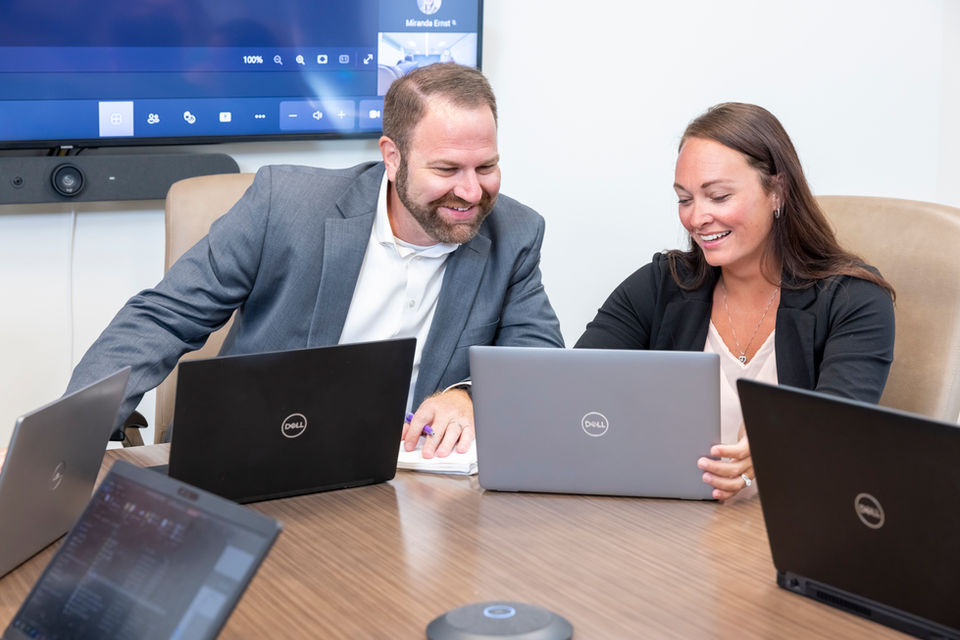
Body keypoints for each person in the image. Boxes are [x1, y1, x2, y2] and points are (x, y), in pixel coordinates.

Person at [65, 63, 564, 460]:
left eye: (488, 166)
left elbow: (536, 360)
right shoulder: (285, 204)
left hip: (411, 484)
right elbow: (163, 318)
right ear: (392, 157)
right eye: (447, 168)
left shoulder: (514, 233)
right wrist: (70, 440)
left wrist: (469, 395)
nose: (472, 191)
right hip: (259, 453)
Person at [575, 102, 895, 501]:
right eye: (685, 199)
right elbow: (575, 390)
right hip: (670, 525)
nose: (697, 218)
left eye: (719, 196)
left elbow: (838, 429)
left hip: (790, 531)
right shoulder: (660, 285)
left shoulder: (853, 300)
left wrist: (778, 441)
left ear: (777, 192)